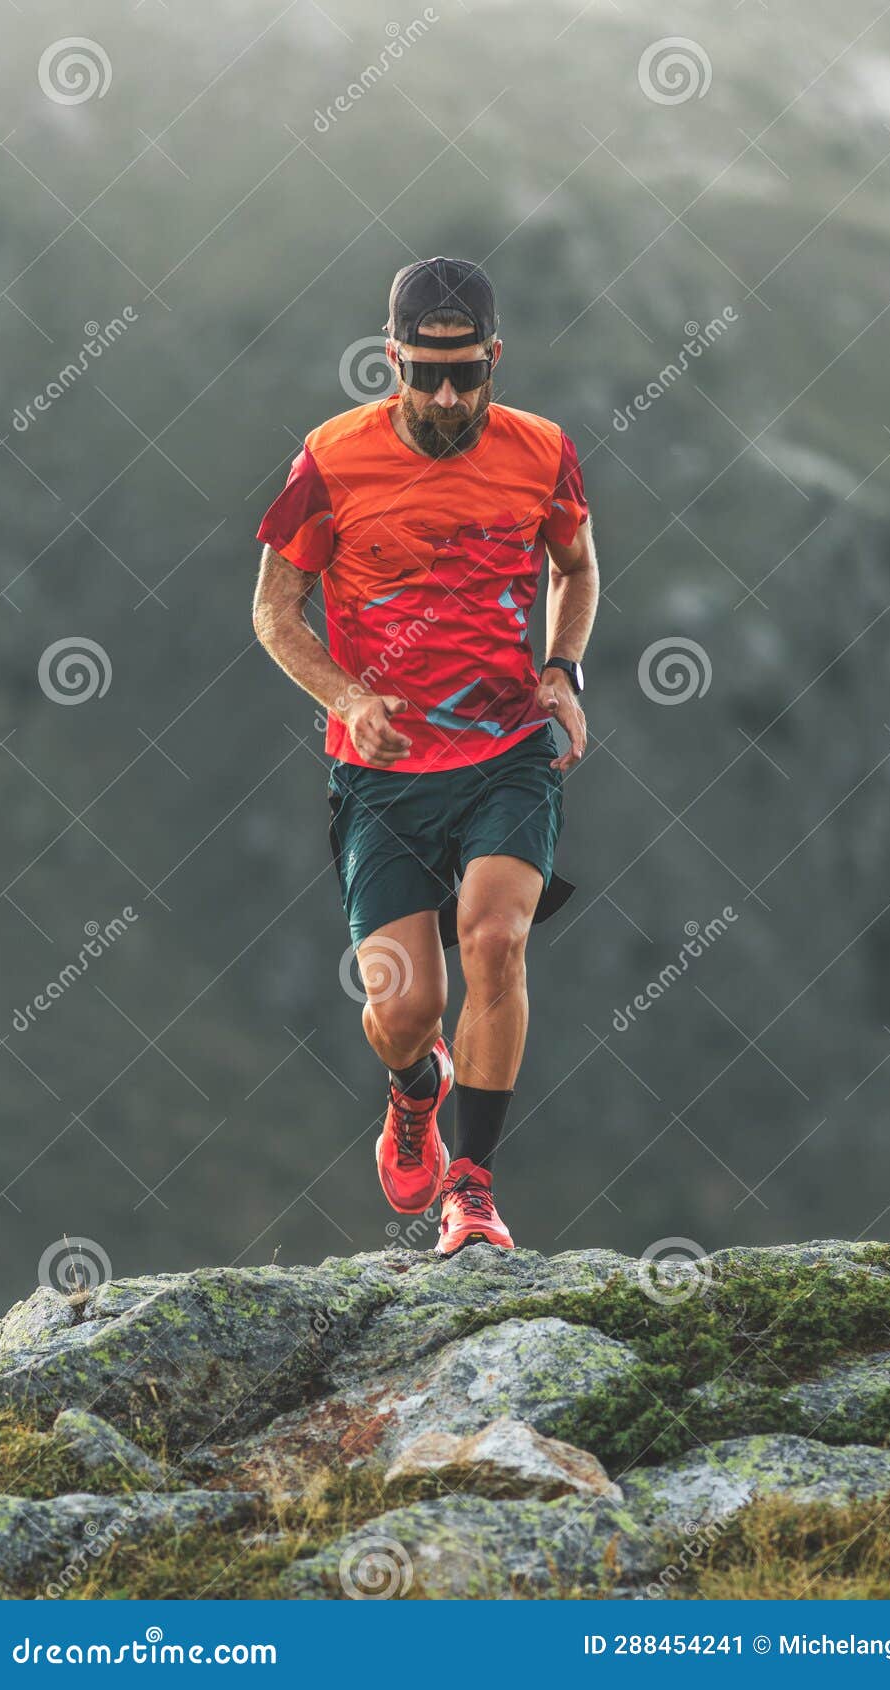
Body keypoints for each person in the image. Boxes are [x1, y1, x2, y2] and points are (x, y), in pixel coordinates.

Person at [252, 257, 598, 1256]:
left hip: (504, 753)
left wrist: (563, 668)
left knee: (495, 940)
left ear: (494, 358)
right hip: (384, 776)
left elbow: (575, 565)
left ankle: (474, 1191)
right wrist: (347, 696)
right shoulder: (329, 459)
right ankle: (415, 1090)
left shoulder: (542, 453)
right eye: (425, 373)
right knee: (403, 1010)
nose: (446, 396)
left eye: (466, 374)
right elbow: (274, 611)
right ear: (392, 358)